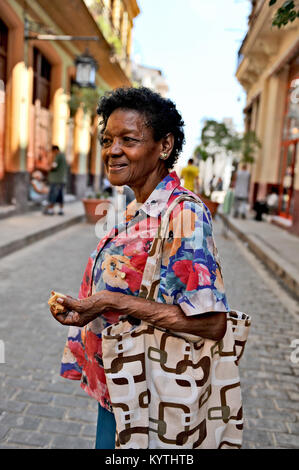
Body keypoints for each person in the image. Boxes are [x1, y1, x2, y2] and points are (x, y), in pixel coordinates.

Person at [49, 87, 230, 449]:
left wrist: (108, 302)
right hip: (121, 387)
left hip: (151, 396)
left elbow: (212, 322)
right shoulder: (138, 208)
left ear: (164, 146)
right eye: (107, 140)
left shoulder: (183, 214)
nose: (113, 150)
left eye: (128, 140)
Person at [43, 145, 68, 215]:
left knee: (53, 195)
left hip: (56, 179)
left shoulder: (58, 156)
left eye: (53, 152)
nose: (53, 153)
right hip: (61, 179)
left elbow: (54, 166)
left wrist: (48, 168)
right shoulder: (63, 156)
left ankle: (50, 210)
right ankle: (61, 210)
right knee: (60, 195)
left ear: (55, 150)